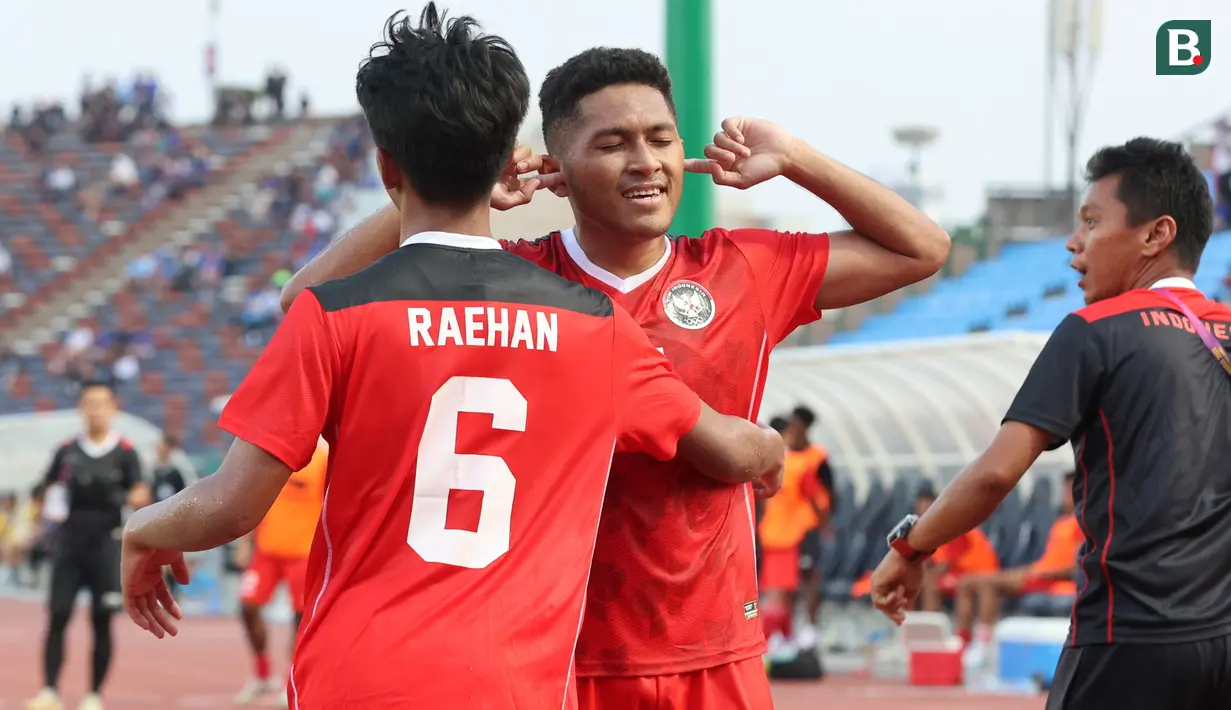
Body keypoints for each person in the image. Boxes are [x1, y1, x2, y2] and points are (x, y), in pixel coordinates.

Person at [118, 7, 783, 710]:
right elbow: (731, 452)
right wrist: (769, 450)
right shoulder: (595, 325)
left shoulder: (333, 315)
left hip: (355, 679)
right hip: (515, 684)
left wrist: (142, 527)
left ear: (386, 167)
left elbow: (226, 508)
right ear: (508, 157)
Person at [278, 44, 950, 709]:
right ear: (557, 173)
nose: (646, 162)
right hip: (557, 657)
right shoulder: (515, 282)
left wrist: (795, 158)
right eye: (613, 144)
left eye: (660, 138)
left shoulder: (741, 268)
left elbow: (922, 248)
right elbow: (307, 300)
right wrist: (461, 184)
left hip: (716, 651)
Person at [869, 137, 1231, 709]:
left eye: (1091, 222)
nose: (1074, 243)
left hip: (1128, 637)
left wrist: (911, 549)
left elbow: (995, 474)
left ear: (1156, 235)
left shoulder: (1096, 329)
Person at [27, 381, 150, 710]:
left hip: (106, 544)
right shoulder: (67, 449)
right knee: (58, 614)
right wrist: (38, 519)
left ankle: (94, 694)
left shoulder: (125, 452)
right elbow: (42, 488)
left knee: (101, 618)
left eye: (102, 403)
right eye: (89, 403)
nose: (95, 410)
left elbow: (142, 493)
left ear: (113, 408)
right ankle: (49, 690)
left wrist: (133, 498)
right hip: (70, 541)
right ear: (80, 408)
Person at [233, 439, 326, 707]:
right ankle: (262, 675)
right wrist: (245, 543)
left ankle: (292, 682)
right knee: (247, 608)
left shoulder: (321, 460)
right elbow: (256, 500)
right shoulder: (274, 457)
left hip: (303, 553)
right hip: (267, 552)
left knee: (300, 620)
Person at [952, 471, 1081, 653]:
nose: (1065, 493)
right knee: (966, 583)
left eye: (1070, 488)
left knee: (987, 584)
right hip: (1038, 573)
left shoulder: (1081, 524)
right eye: (1065, 488)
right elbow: (1049, 560)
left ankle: (983, 647)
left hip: (1054, 582)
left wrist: (1042, 572)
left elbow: (1078, 565)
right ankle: (961, 642)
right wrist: (1035, 570)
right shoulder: (1061, 522)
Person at [756, 407, 830, 656]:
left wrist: (824, 525)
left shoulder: (812, 459)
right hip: (780, 535)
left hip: (788, 533)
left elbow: (820, 495)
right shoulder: (781, 462)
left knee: (786, 588)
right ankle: (773, 638)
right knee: (779, 591)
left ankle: (784, 636)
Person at [779, 405, 835, 650]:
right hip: (782, 531)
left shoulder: (817, 457)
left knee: (810, 578)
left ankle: (811, 629)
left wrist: (825, 521)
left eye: (795, 422)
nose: (791, 427)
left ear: (805, 425)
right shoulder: (784, 455)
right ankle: (785, 632)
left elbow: (830, 493)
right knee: (784, 582)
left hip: (808, 527)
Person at [914, 483, 999, 613]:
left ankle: (929, 629)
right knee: (914, 581)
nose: (925, 505)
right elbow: (925, 561)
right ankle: (908, 626)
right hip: (961, 572)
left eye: (929, 500)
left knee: (930, 584)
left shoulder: (949, 522)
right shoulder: (926, 527)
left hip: (979, 572)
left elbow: (946, 564)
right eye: (921, 500)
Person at [149, 435, 187, 600]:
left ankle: (171, 594)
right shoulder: (152, 472)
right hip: (154, 520)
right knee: (154, 559)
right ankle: (158, 594)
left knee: (169, 559)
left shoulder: (176, 473)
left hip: (171, 520)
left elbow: (182, 496)